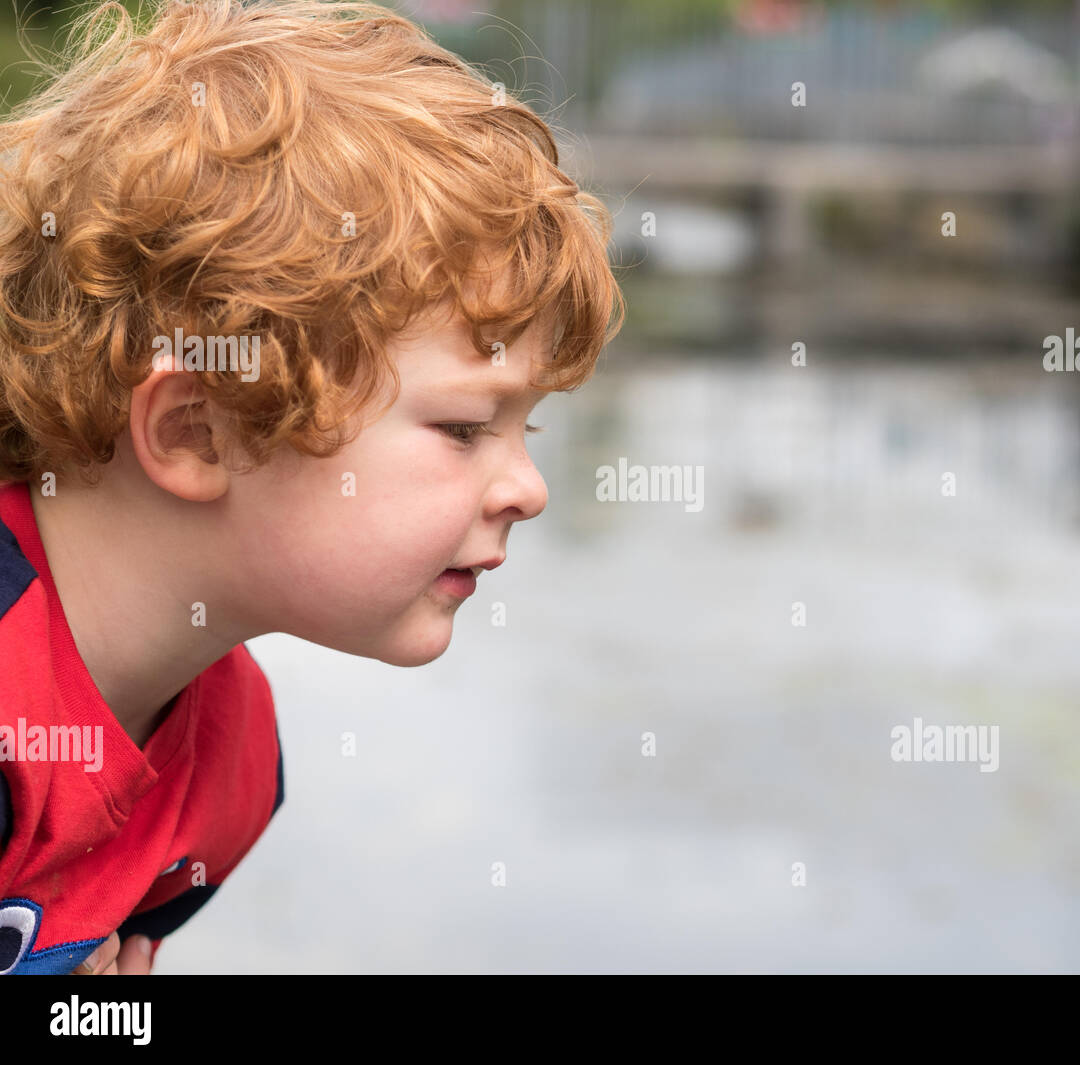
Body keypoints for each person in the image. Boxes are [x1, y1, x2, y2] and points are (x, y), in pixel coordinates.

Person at [0, 0, 623, 975]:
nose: (528, 489)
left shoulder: (227, 768)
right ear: (195, 431)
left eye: (524, 427)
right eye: (465, 429)